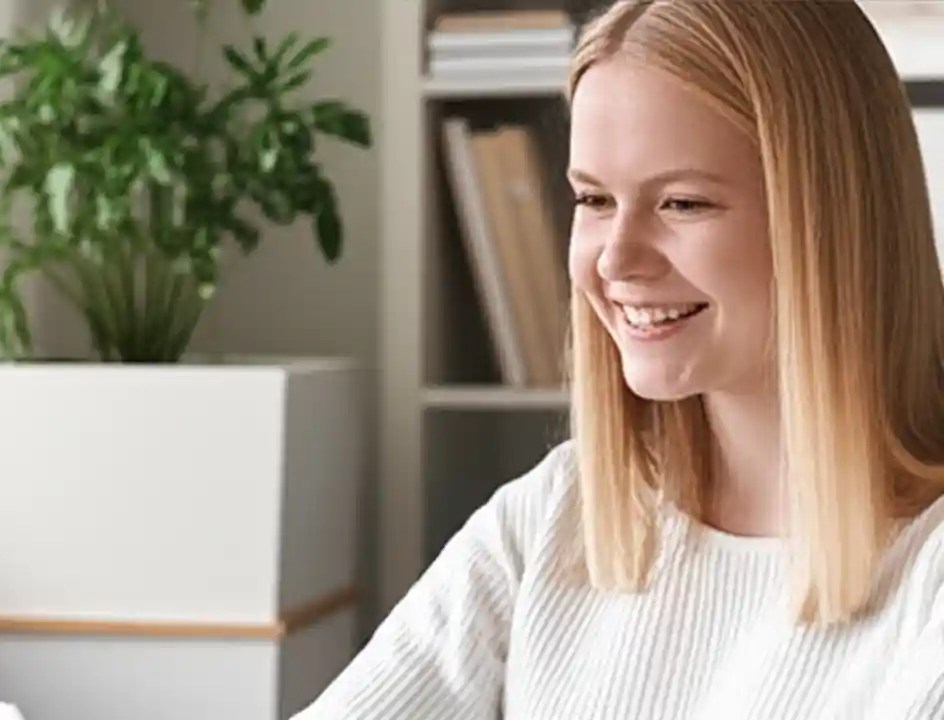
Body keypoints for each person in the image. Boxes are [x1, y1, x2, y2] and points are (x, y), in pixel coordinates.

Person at [293, 0, 944, 717]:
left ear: (832, 219)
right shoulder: (552, 515)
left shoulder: (928, 575)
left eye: (683, 204)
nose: (617, 259)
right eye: (594, 200)